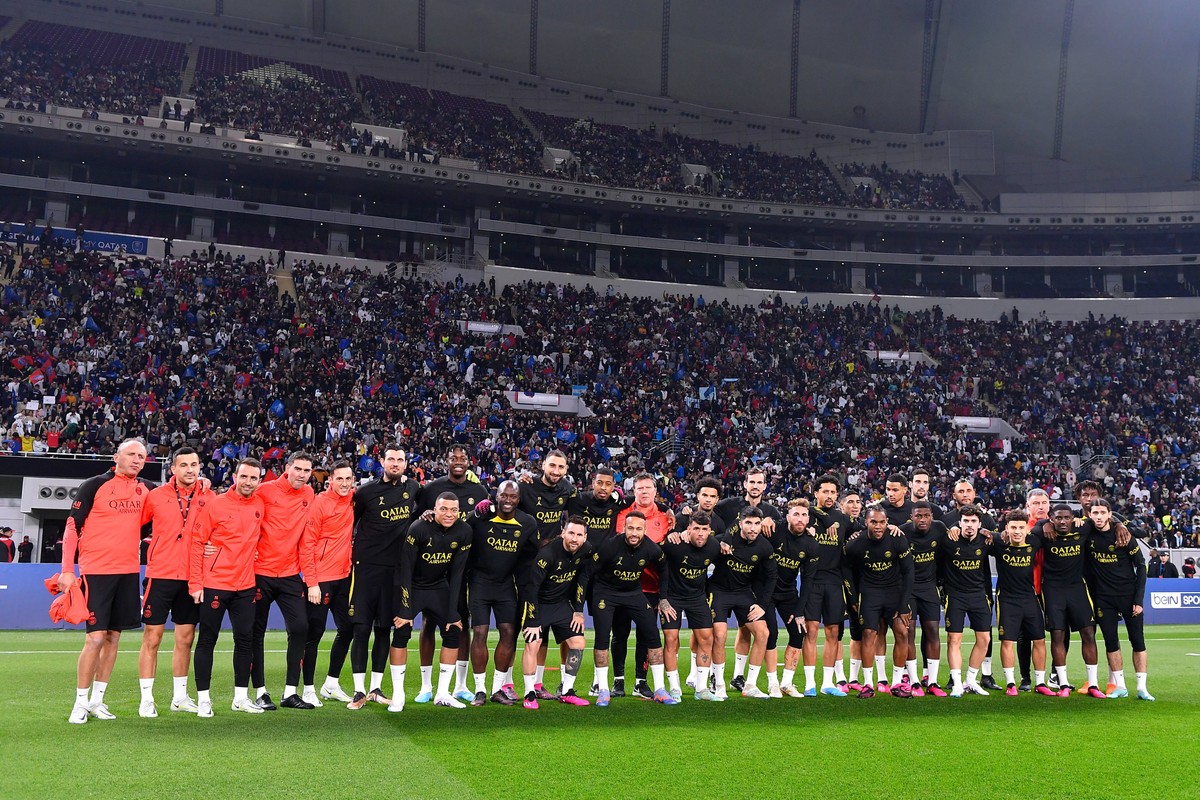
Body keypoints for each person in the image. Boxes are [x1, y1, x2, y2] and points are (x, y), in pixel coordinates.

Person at [60, 439, 154, 724]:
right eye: (131, 454)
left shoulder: (148, 489)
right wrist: (67, 570)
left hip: (128, 571)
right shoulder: (94, 485)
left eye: (142, 456)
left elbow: (170, 509)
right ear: (116, 457)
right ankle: (80, 702)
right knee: (95, 638)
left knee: (113, 637)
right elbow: (72, 526)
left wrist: (202, 484)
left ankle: (97, 701)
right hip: (96, 571)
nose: (137, 460)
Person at [189, 458, 266, 718]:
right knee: (207, 640)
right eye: (244, 476)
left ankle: (240, 698)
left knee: (245, 641)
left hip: (246, 586)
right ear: (234, 477)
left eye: (253, 478)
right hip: (215, 584)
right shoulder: (216, 504)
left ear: (259, 481)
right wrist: (196, 583)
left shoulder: (259, 504)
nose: (248, 482)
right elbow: (197, 543)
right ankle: (203, 699)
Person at [137, 446, 211, 717]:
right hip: (160, 574)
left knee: (185, 638)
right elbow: (136, 526)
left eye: (194, 465)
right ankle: (146, 699)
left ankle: (179, 697)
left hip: (192, 577)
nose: (190, 470)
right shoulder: (156, 496)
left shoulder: (209, 497)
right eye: (184, 465)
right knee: (152, 637)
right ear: (173, 469)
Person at [415, 445, 490, 703]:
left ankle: (460, 685)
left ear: (469, 462)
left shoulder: (479, 491)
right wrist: (425, 513)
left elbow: (485, 526)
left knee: (461, 622)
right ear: (445, 460)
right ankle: (426, 686)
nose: (458, 462)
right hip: (433, 568)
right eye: (453, 458)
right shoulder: (431, 489)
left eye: (463, 458)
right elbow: (418, 520)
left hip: (465, 567)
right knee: (428, 623)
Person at [345, 447, 418, 709]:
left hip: (394, 571)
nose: (395, 463)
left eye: (400, 460)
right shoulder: (365, 492)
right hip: (366, 567)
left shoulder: (413, 488)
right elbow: (348, 524)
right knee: (361, 628)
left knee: (384, 629)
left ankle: (375, 688)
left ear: (405, 463)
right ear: (382, 462)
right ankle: (358, 691)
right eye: (391, 459)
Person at [389, 492, 473, 710]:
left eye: (453, 510)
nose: (449, 514)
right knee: (401, 631)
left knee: (453, 630)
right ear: (434, 510)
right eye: (443, 509)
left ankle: (443, 693)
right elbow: (405, 569)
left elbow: (457, 574)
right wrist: (405, 609)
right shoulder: (418, 528)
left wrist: (453, 612)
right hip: (413, 586)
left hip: (438, 587)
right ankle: (398, 695)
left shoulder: (464, 531)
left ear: (459, 511)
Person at [249, 451, 318, 711]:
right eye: (297, 469)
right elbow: (240, 501)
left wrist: (310, 578)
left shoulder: (309, 494)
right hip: (260, 573)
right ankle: (260, 692)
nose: (302, 474)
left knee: (300, 628)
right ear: (287, 468)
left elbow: (308, 539)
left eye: (307, 470)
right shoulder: (264, 490)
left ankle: (290, 692)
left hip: (290, 574)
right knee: (256, 633)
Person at [585, 511, 676, 705]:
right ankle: (603, 690)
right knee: (602, 638)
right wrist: (581, 605)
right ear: (623, 528)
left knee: (653, 635)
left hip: (633, 592)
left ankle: (660, 689)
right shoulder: (609, 546)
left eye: (639, 529)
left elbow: (664, 568)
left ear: (645, 530)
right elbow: (587, 572)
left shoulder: (652, 549)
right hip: (606, 592)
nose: (634, 533)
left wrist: (663, 598)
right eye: (631, 528)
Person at [464, 480, 539, 705]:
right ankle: (479, 689)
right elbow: (462, 529)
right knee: (480, 632)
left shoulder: (527, 523)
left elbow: (533, 553)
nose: (508, 500)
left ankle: (497, 689)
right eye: (504, 496)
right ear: (496, 496)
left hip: (506, 584)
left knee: (508, 632)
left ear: (519, 499)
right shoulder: (481, 517)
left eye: (513, 497)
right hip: (479, 583)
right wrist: (475, 513)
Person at [517, 450, 576, 698]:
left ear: (566, 469)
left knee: (544, 632)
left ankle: (538, 685)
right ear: (543, 465)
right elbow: (504, 502)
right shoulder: (526, 486)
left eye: (561, 467)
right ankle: (506, 685)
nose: (556, 471)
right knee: (518, 629)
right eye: (552, 465)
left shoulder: (567, 489)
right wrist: (517, 478)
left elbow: (582, 510)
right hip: (523, 563)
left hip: (551, 564)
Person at [519, 515, 592, 709]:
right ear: (563, 533)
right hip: (538, 603)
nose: (574, 539)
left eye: (579, 535)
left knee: (578, 642)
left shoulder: (586, 550)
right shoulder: (547, 554)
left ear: (585, 537)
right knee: (533, 643)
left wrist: (578, 611)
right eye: (571, 533)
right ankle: (529, 694)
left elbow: (582, 579)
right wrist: (532, 620)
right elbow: (532, 587)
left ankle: (566, 691)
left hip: (561, 604)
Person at [610, 472, 673, 699]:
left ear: (655, 491)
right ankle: (618, 681)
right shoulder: (623, 514)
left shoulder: (666, 517)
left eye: (648, 488)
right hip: (623, 586)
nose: (644, 491)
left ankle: (640, 682)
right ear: (633, 491)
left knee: (645, 636)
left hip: (651, 587)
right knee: (620, 634)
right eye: (640, 488)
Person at [1084, 499, 1152, 700]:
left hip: (1128, 596)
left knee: (1137, 641)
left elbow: (1141, 566)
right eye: (1095, 513)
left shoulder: (1123, 534)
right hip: (1104, 599)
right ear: (1090, 515)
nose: (1098, 516)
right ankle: (1120, 686)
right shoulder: (1087, 534)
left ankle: (1142, 688)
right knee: (1110, 641)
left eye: (1102, 513)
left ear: (1109, 514)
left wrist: (1138, 599)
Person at [1036, 503, 1105, 698]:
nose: (1063, 521)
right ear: (1052, 519)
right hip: (1053, 590)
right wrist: (1043, 524)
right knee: (1058, 635)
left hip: (1077, 588)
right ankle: (1063, 684)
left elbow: (1106, 519)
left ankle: (1093, 685)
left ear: (1073, 518)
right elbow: (1032, 529)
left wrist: (1120, 526)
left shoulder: (1083, 528)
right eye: (1058, 518)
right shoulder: (1043, 532)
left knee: (1089, 633)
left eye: (1067, 517)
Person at [845, 506, 914, 699]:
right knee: (869, 634)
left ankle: (897, 683)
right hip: (869, 593)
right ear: (866, 522)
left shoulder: (897, 538)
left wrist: (904, 604)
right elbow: (846, 569)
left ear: (887, 522)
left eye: (882, 522)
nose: (878, 526)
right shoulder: (855, 544)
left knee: (902, 632)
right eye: (873, 522)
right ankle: (868, 685)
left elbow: (909, 571)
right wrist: (853, 597)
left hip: (894, 592)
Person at [303, 460, 355, 709]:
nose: (344, 484)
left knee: (348, 629)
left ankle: (331, 684)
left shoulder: (353, 499)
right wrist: (311, 582)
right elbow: (307, 544)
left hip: (344, 577)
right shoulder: (320, 503)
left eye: (348, 479)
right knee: (314, 634)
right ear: (330, 480)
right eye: (339, 479)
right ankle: (307, 689)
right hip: (321, 579)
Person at [710, 508, 777, 699]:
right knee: (720, 635)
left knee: (763, 633)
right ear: (740, 524)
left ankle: (750, 685)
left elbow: (772, 577)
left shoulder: (765, 547)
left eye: (757, 523)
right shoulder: (723, 541)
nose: (753, 528)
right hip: (719, 591)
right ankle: (719, 684)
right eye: (748, 523)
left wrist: (762, 605)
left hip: (743, 593)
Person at [990, 509, 1055, 697]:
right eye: (1013, 528)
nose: (1017, 531)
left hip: (1029, 598)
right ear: (1007, 528)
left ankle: (1040, 682)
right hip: (1007, 600)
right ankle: (1011, 683)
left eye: (1021, 527)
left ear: (1027, 528)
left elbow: (1044, 523)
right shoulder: (999, 542)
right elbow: (979, 532)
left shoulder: (1034, 541)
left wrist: (1045, 523)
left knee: (1039, 640)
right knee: (1007, 641)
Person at [659, 512, 721, 701]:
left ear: (710, 530)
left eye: (704, 529)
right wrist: (662, 599)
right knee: (671, 639)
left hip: (697, 597)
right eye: (696, 529)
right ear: (689, 529)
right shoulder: (674, 544)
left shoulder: (714, 547)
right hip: (672, 597)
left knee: (707, 639)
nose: (700, 533)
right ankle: (674, 688)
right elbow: (659, 565)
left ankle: (701, 689)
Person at [805, 474, 858, 696]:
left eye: (833, 492)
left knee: (833, 632)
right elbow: (792, 513)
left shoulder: (843, 519)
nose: (829, 496)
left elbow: (866, 530)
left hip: (835, 582)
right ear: (815, 493)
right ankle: (809, 684)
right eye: (825, 491)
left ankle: (828, 683)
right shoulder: (806, 515)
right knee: (811, 631)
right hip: (811, 581)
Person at [765, 499, 819, 697]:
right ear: (787, 517)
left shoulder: (811, 545)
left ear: (808, 519)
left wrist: (799, 611)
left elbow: (808, 580)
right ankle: (772, 683)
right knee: (771, 633)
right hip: (766, 592)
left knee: (798, 633)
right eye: (796, 514)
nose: (800, 519)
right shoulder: (774, 530)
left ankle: (786, 683)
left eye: (804, 515)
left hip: (788, 593)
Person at [938, 505, 993, 697]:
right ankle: (956, 684)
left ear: (979, 524)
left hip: (979, 595)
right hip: (955, 596)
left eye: (973, 521)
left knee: (984, 639)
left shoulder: (986, 540)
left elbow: (1006, 537)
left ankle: (970, 680)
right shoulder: (948, 539)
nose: (969, 525)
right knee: (954, 639)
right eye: (966, 521)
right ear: (960, 522)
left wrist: (992, 533)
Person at [900, 501, 948, 696]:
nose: (922, 519)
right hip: (909, 589)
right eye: (918, 516)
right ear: (911, 517)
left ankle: (933, 682)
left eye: (926, 516)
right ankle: (914, 681)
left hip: (929, 588)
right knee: (909, 632)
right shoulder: (902, 532)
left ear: (931, 517)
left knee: (933, 632)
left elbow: (955, 538)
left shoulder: (939, 528)